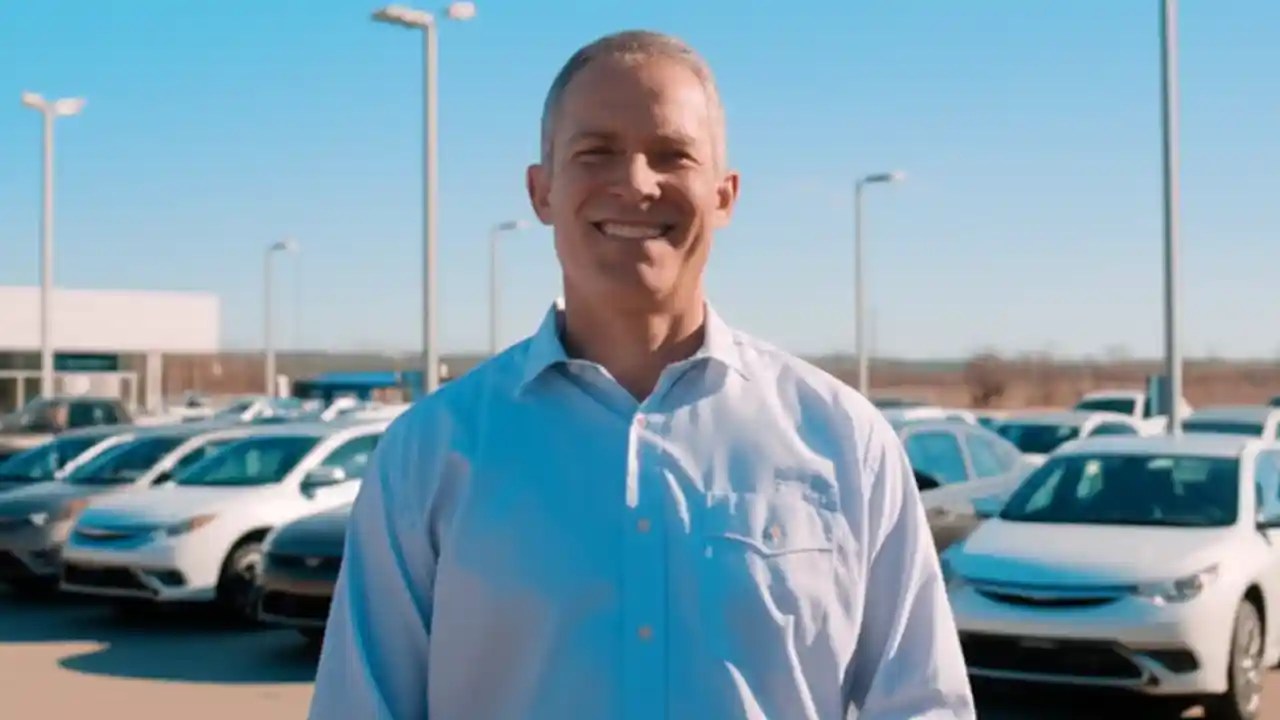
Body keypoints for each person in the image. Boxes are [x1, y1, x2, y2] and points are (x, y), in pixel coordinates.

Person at [309, 29, 975, 720]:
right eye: (596, 153)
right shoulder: (430, 454)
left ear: (725, 196)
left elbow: (923, 706)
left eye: (671, 154)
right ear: (541, 192)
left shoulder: (844, 441)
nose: (634, 182)